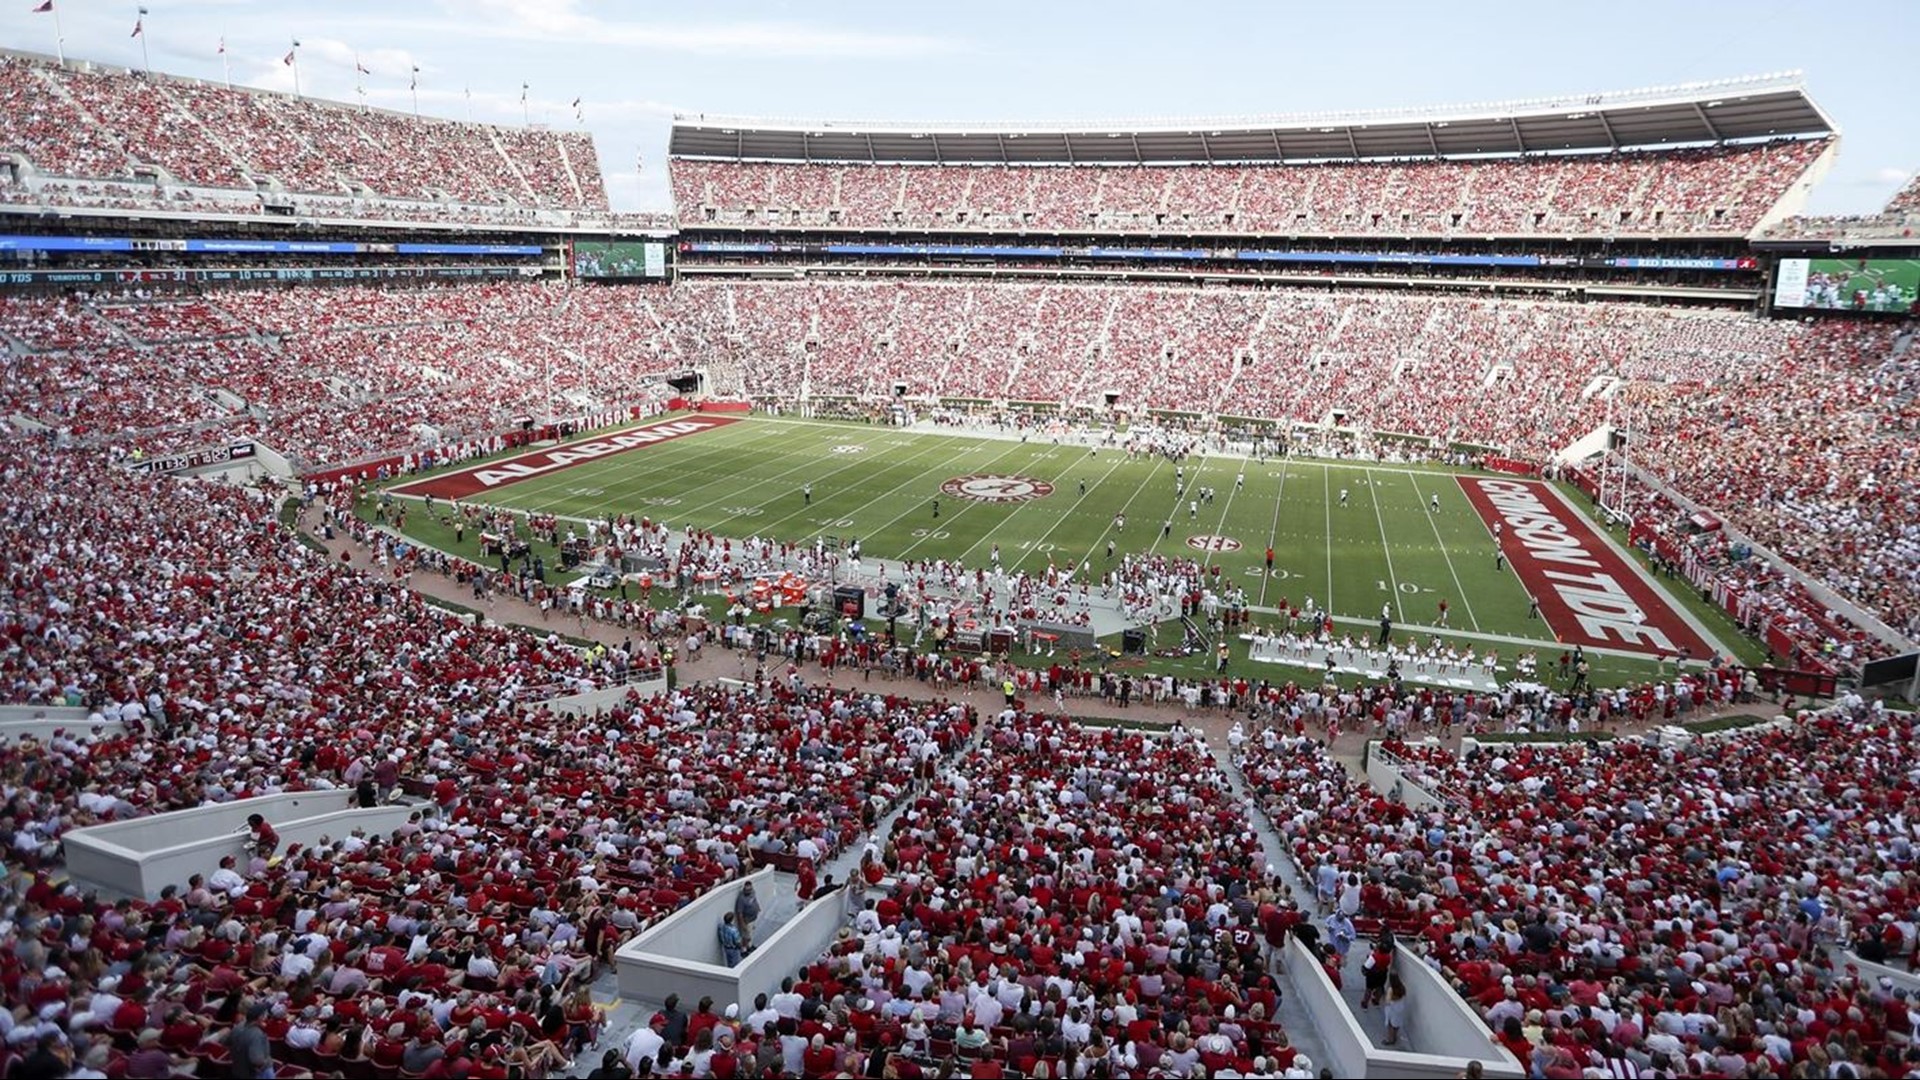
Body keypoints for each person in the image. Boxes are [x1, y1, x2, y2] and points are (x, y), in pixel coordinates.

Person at [734, 880, 761, 951]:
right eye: (747, 889)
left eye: (750, 889)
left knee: (750, 933)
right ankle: (744, 949)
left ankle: (750, 946)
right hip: (747, 920)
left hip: (753, 918)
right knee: (745, 936)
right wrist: (743, 924)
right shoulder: (741, 899)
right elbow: (739, 913)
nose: (749, 891)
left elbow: (755, 900)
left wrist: (758, 907)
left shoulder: (753, 892)